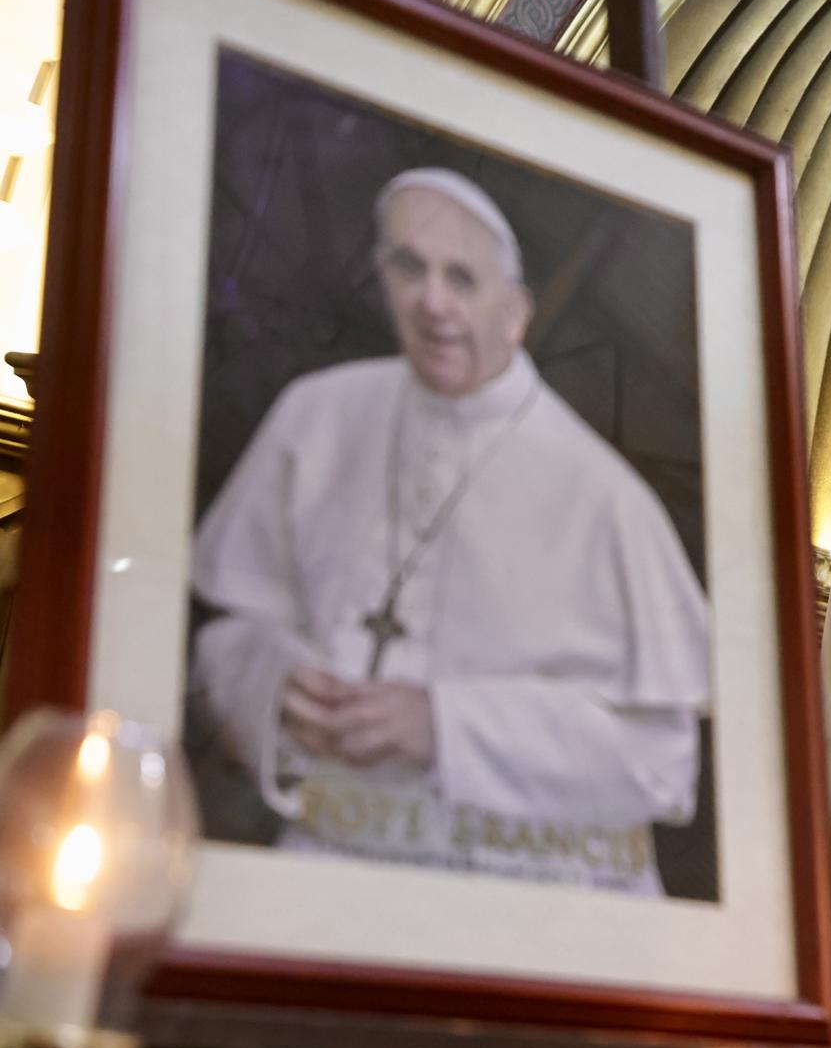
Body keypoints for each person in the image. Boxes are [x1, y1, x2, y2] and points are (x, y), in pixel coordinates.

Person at [190, 167, 709, 895]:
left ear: (515, 310)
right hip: (330, 875)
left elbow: (660, 765)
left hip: (533, 905)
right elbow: (227, 630)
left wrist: (446, 724)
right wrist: (275, 685)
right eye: (409, 267)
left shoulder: (604, 498)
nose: (432, 303)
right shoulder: (315, 415)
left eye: (462, 278)